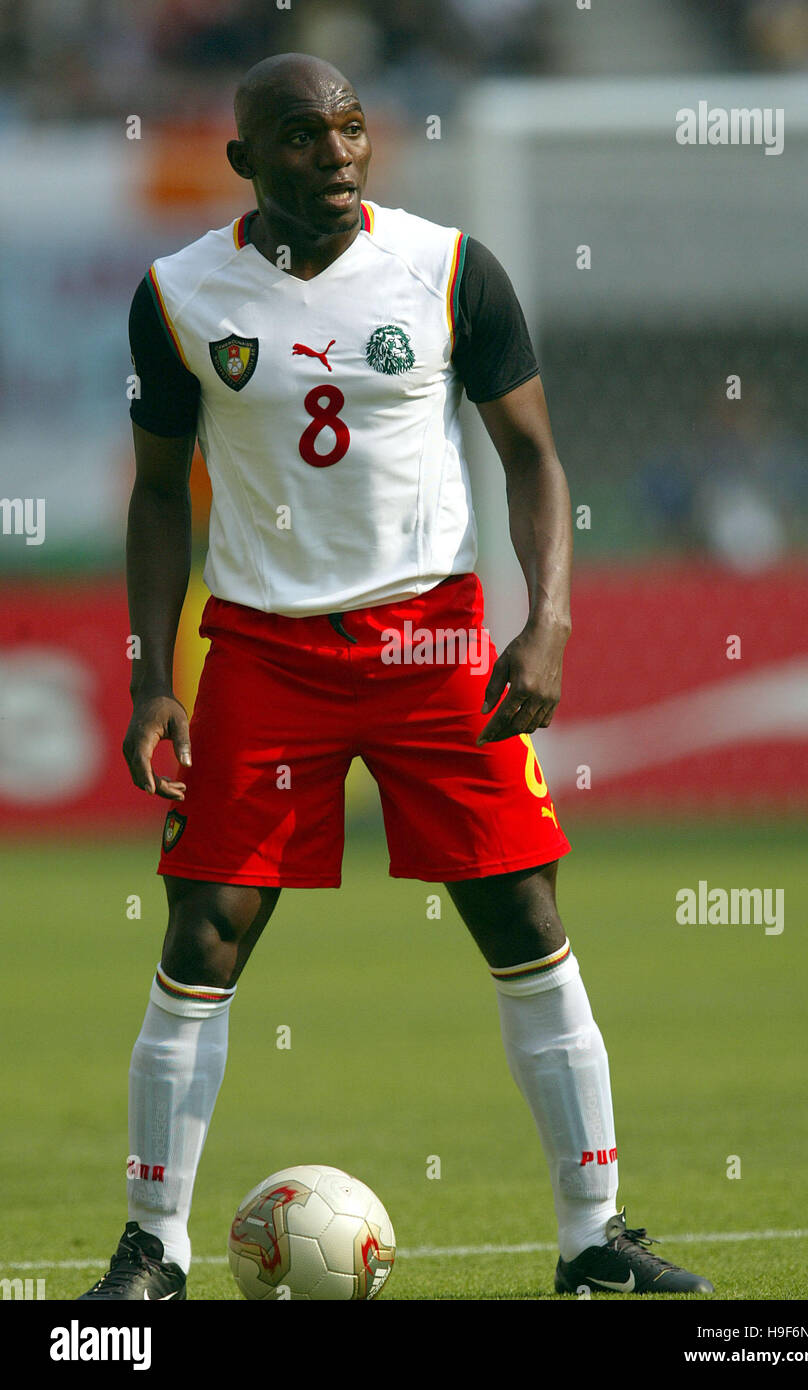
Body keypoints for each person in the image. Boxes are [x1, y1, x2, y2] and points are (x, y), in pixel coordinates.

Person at [79, 52, 712, 1300]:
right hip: (263, 648)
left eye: (353, 129)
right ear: (245, 158)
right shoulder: (177, 296)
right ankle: (155, 1252)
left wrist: (547, 625)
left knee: (523, 920)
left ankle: (592, 1240)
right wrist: (156, 675)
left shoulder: (449, 268)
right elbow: (159, 493)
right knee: (204, 932)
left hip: (431, 641)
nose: (339, 154)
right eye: (305, 137)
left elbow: (532, 456)